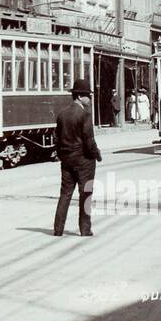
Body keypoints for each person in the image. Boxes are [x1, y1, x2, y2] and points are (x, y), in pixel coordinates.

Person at [53, 78, 102, 237]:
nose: (90, 98)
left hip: (67, 160)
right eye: (88, 95)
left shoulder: (62, 114)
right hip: (84, 161)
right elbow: (89, 140)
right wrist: (96, 154)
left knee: (65, 194)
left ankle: (58, 229)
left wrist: (63, 155)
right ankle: (85, 229)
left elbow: (57, 139)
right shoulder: (85, 115)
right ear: (80, 96)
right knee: (86, 193)